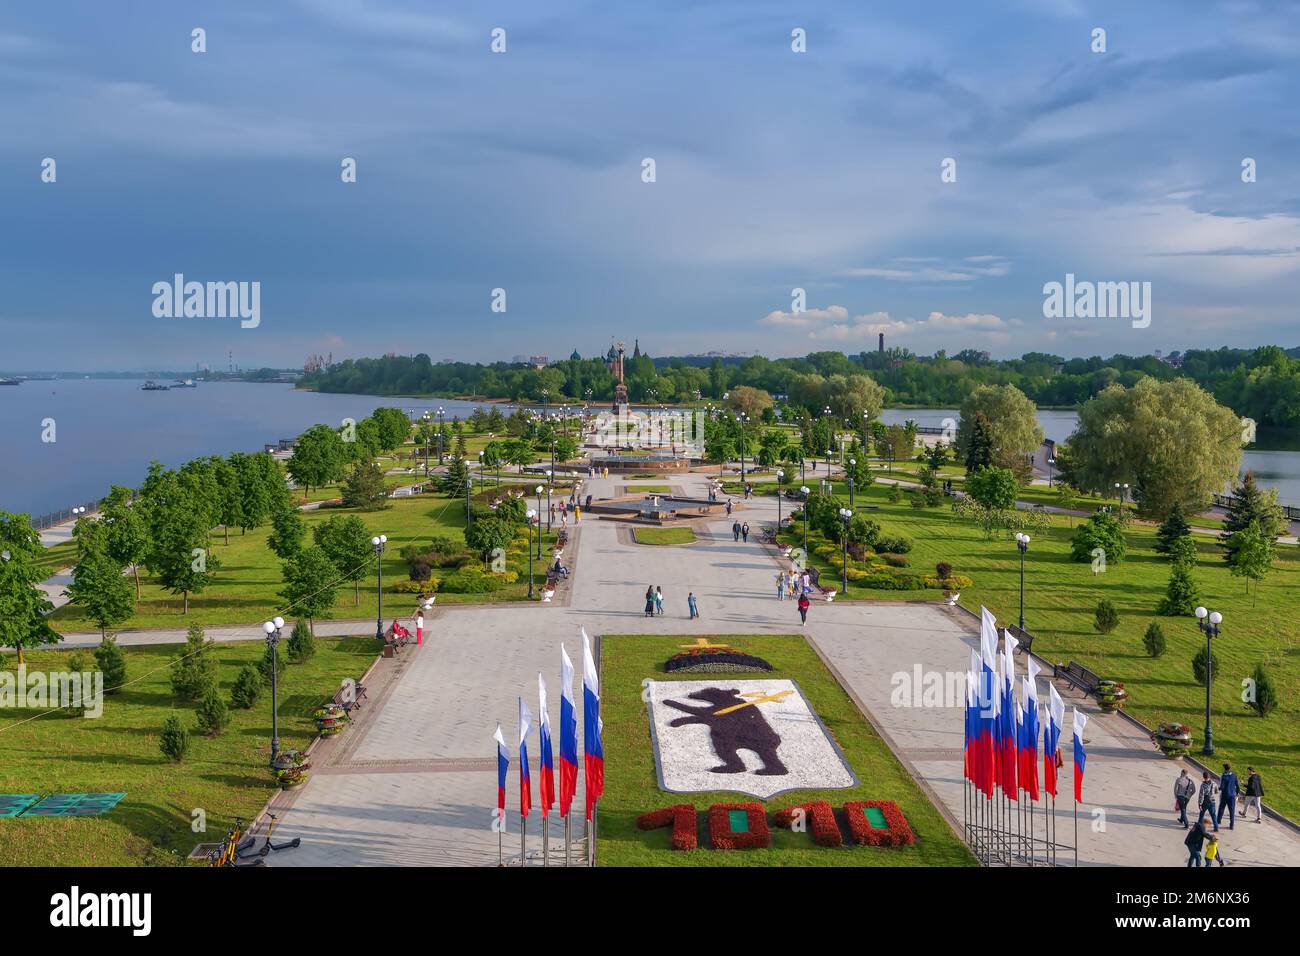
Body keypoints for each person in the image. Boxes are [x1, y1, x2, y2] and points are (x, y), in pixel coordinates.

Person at [1217, 763, 1239, 830]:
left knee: (1221, 808)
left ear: (1224, 768)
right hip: (1232, 796)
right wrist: (1237, 793)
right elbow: (1237, 786)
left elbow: (1222, 787)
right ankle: (1231, 825)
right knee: (1232, 810)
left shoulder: (1224, 776)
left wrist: (1218, 788)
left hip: (1225, 795)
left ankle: (1218, 820)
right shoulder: (1234, 775)